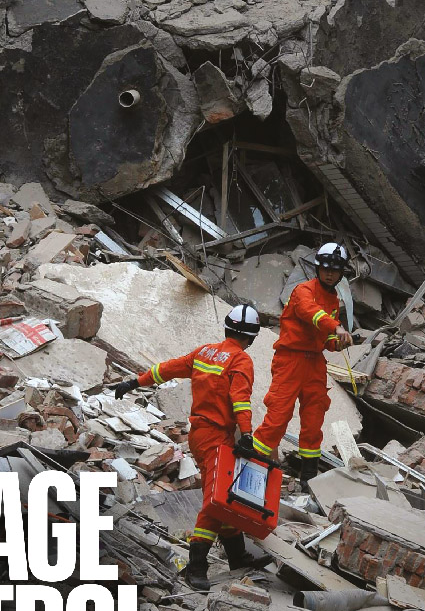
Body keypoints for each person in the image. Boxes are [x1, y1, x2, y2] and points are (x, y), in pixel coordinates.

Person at [112, 304, 265, 590]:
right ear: (252, 337)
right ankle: (196, 566)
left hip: (199, 434)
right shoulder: (241, 361)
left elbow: (168, 369)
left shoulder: (205, 352)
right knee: (216, 500)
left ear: (227, 328)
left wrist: (135, 381)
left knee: (225, 492)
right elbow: (240, 400)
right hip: (218, 436)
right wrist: (246, 435)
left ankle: (237, 555)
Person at [252, 242, 353, 486]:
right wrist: (335, 326)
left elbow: (327, 338)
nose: (330, 273)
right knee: (278, 416)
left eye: (335, 269)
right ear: (318, 268)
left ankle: (309, 478)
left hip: (314, 363)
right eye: (326, 268)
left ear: (341, 273)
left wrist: (338, 343)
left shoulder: (333, 299)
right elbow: (311, 313)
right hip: (291, 359)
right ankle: (253, 467)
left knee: (314, 421)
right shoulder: (302, 291)